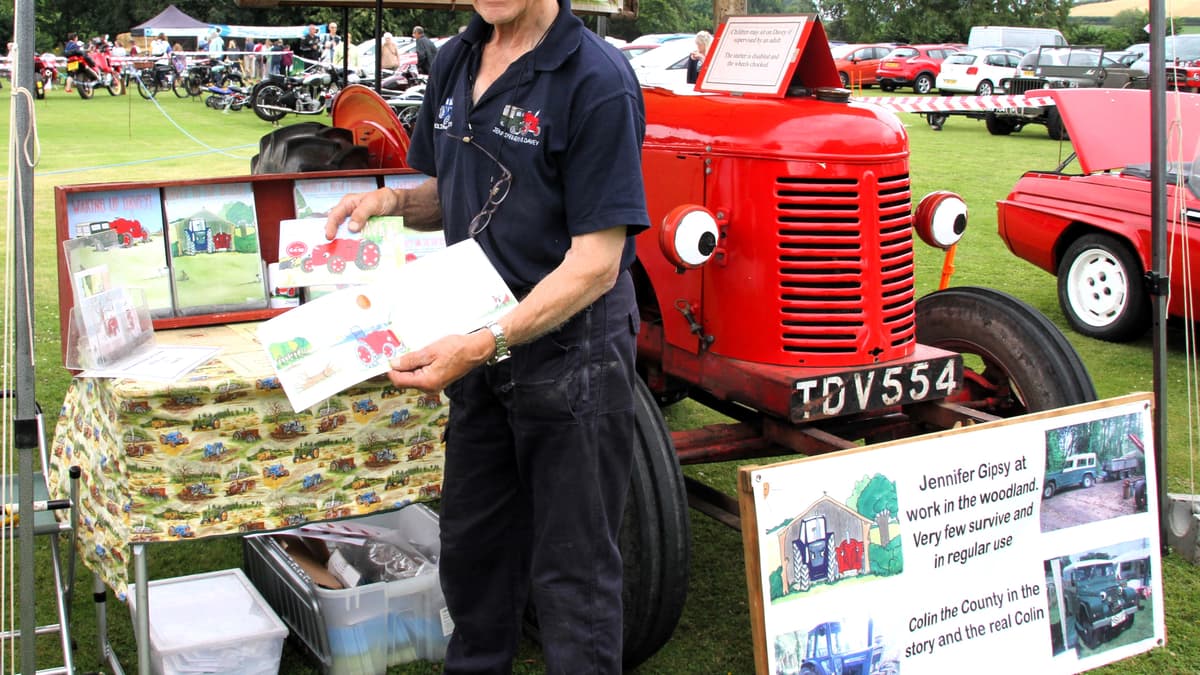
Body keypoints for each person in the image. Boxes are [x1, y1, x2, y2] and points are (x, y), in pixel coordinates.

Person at [323, 0, 648, 670]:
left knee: (574, 579)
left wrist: (481, 342)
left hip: (572, 361)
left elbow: (596, 264)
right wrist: (386, 201)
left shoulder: (597, 79)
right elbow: (452, 191)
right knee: (474, 561)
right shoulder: (455, 59)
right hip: (480, 353)